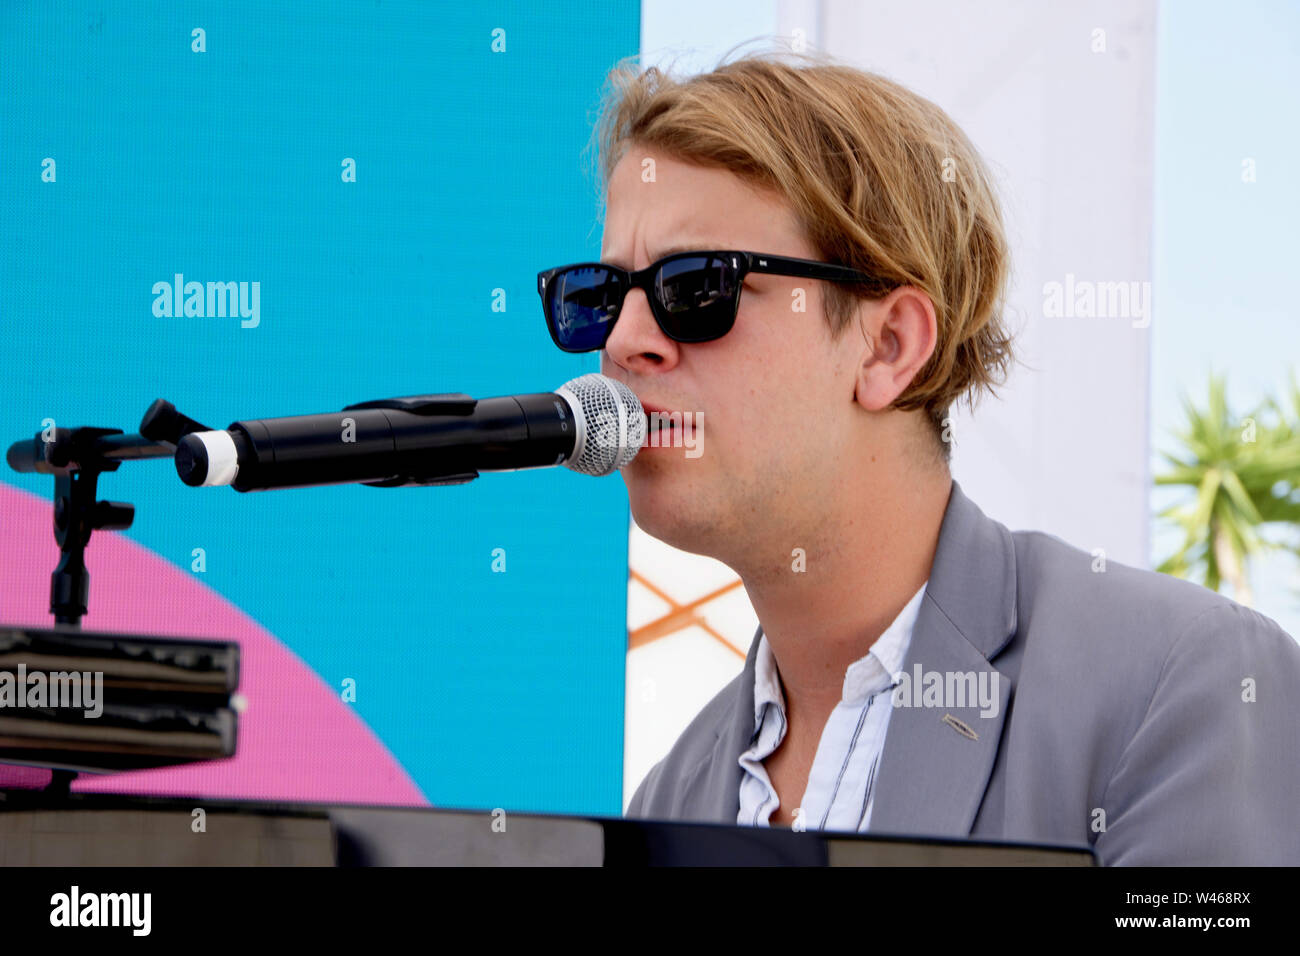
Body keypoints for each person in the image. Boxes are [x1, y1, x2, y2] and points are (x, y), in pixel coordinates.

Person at [536, 50, 1300, 865]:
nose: (622, 342)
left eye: (696, 288)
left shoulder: (1186, 684)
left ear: (889, 346)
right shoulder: (674, 793)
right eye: (600, 295)